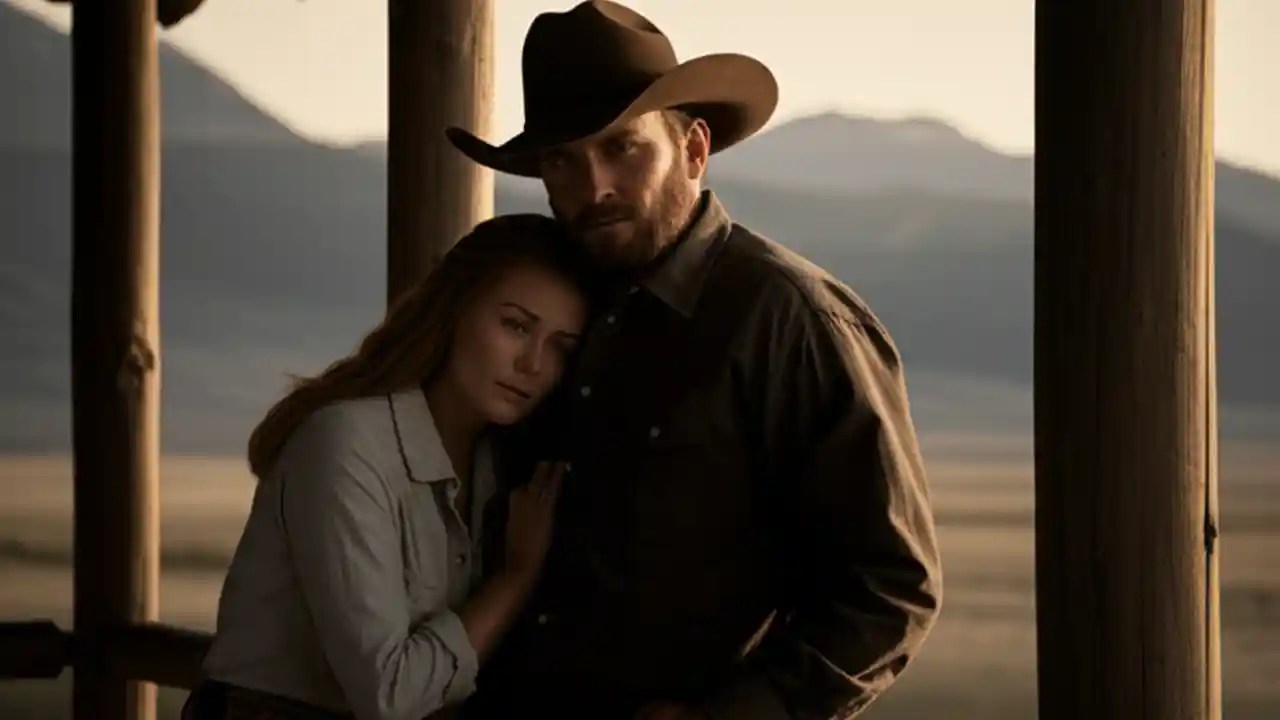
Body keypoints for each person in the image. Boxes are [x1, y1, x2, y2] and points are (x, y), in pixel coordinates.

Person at [446, 2, 943, 718]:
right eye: (564, 159)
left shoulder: (787, 320)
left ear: (694, 148)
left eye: (623, 148)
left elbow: (889, 584)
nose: (595, 189)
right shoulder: (542, 304)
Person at [182, 215, 591, 720]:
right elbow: (389, 696)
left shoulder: (500, 464)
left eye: (560, 347)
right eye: (516, 326)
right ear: (455, 309)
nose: (533, 364)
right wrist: (516, 574)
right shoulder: (346, 444)